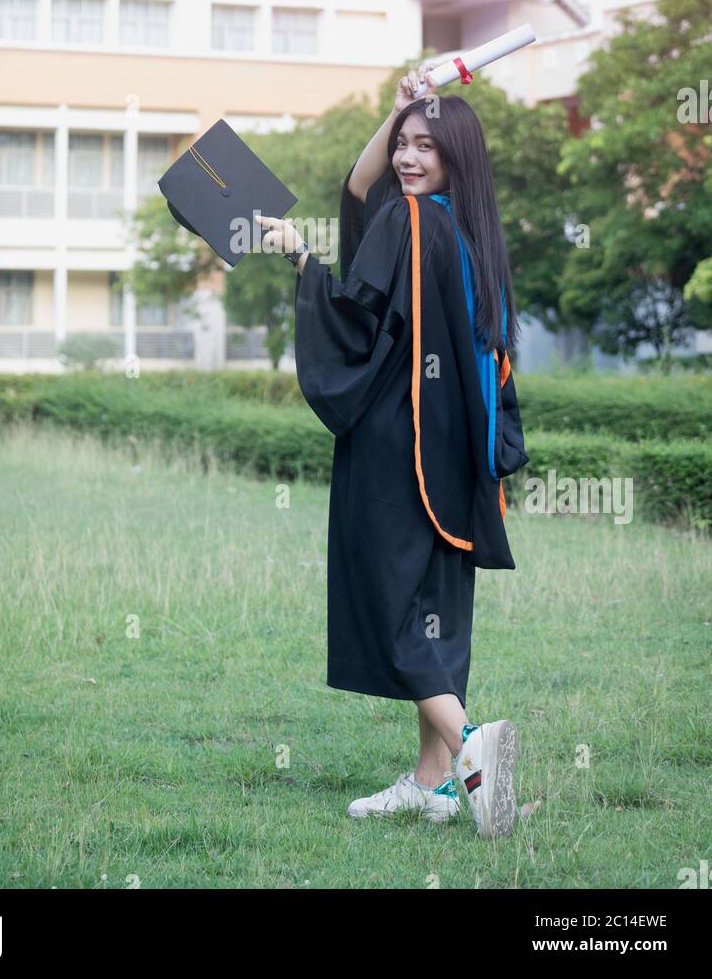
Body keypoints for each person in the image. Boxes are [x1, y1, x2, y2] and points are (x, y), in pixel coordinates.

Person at [255, 60, 529, 840]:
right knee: (434, 615)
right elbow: (357, 191)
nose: (407, 159)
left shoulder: (408, 223)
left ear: (454, 160)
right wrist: (400, 108)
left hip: (393, 449)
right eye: (402, 144)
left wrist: (300, 260)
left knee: (391, 609)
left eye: (424, 149)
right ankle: (432, 783)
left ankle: (475, 752)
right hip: (452, 459)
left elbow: (353, 312)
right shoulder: (466, 236)